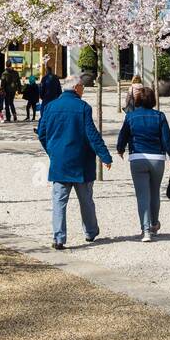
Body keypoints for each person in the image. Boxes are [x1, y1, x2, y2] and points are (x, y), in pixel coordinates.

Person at [35, 75, 112, 250]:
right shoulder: (83, 107)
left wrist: (52, 151)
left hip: (60, 162)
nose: (83, 90)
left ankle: (59, 237)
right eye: (82, 87)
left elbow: (42, 133)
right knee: (86, 200)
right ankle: (90, 231)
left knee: (59, 202)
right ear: (76, 87)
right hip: (81, 162)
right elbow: (92, 135)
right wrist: (104, 155)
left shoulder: (51, 107)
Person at [117, 86, 170, 242]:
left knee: (142, 195)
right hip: (157, 158)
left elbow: (123, 134)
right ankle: (154, 224)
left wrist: (120, 149)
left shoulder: (130, 116)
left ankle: (146, 231)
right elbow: (167, 138)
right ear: (153, 100)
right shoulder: (160, 116)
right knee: (154, 192)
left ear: (137, 100)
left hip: (137, 157)